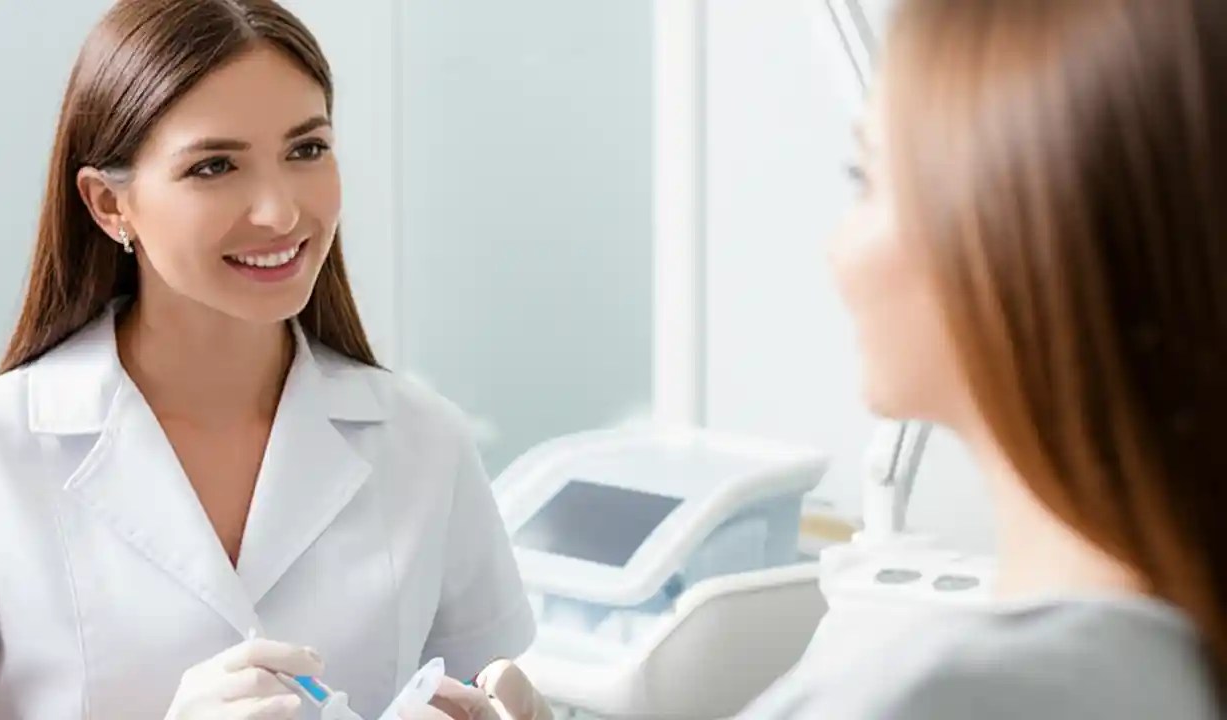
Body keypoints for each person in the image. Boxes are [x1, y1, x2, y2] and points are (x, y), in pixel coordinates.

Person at [410, 0, 1227, 717]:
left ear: (1017, 238)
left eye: (865, 179)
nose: (838, 247)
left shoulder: (935, 697)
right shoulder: (1170, 657)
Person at [0, 1, 534, 718]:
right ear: (108, 205)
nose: (280, 212)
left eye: (306, 150)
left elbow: (471, 689)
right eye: (215, 165)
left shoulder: (424, 443)